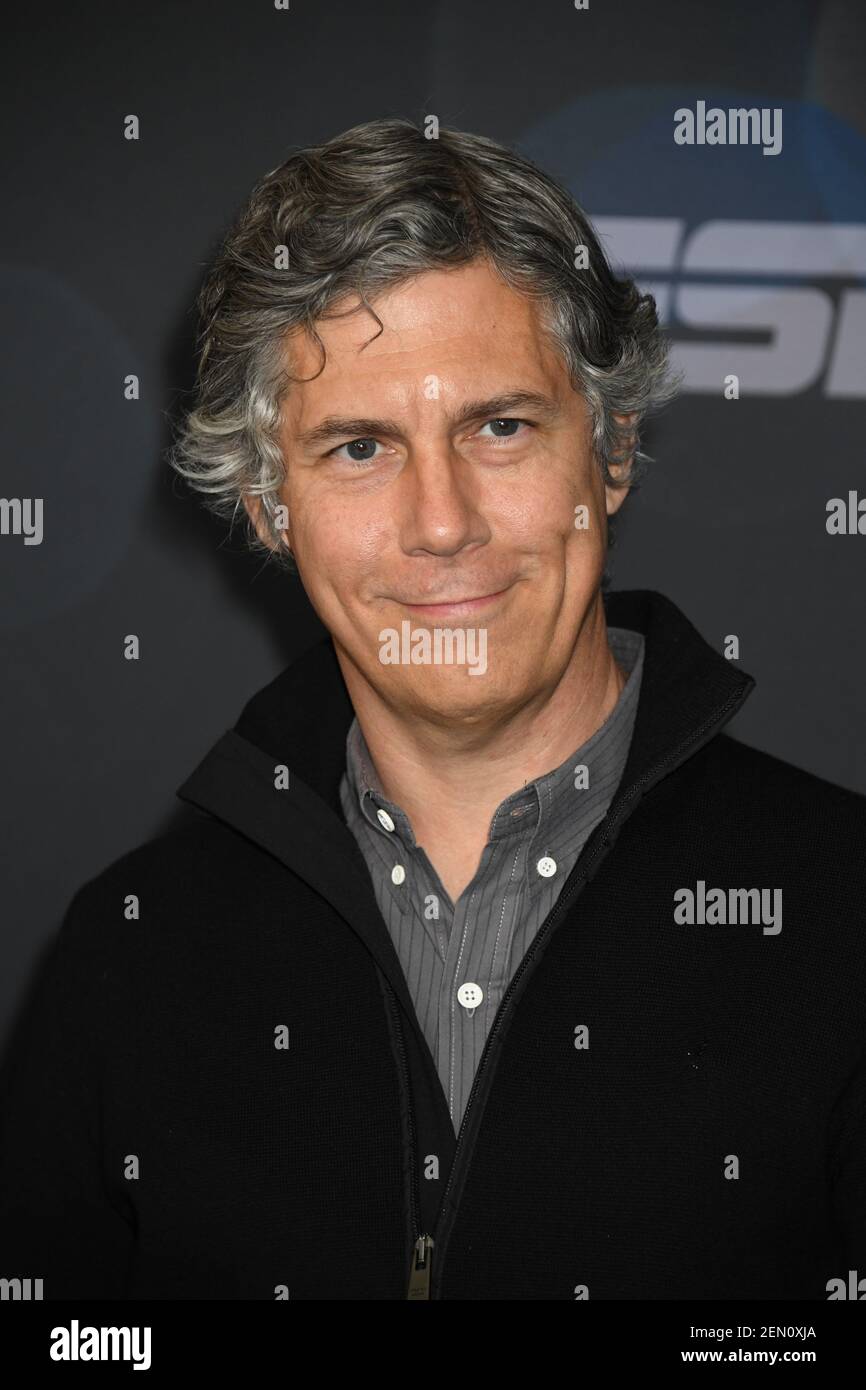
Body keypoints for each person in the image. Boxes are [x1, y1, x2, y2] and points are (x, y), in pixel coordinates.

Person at [2, 118, 865, 1301]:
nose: (442, 521)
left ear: (608, 452)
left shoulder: (846, 911)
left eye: (498, 427)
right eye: (359, 447)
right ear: (267, 506)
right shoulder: (126, 953)